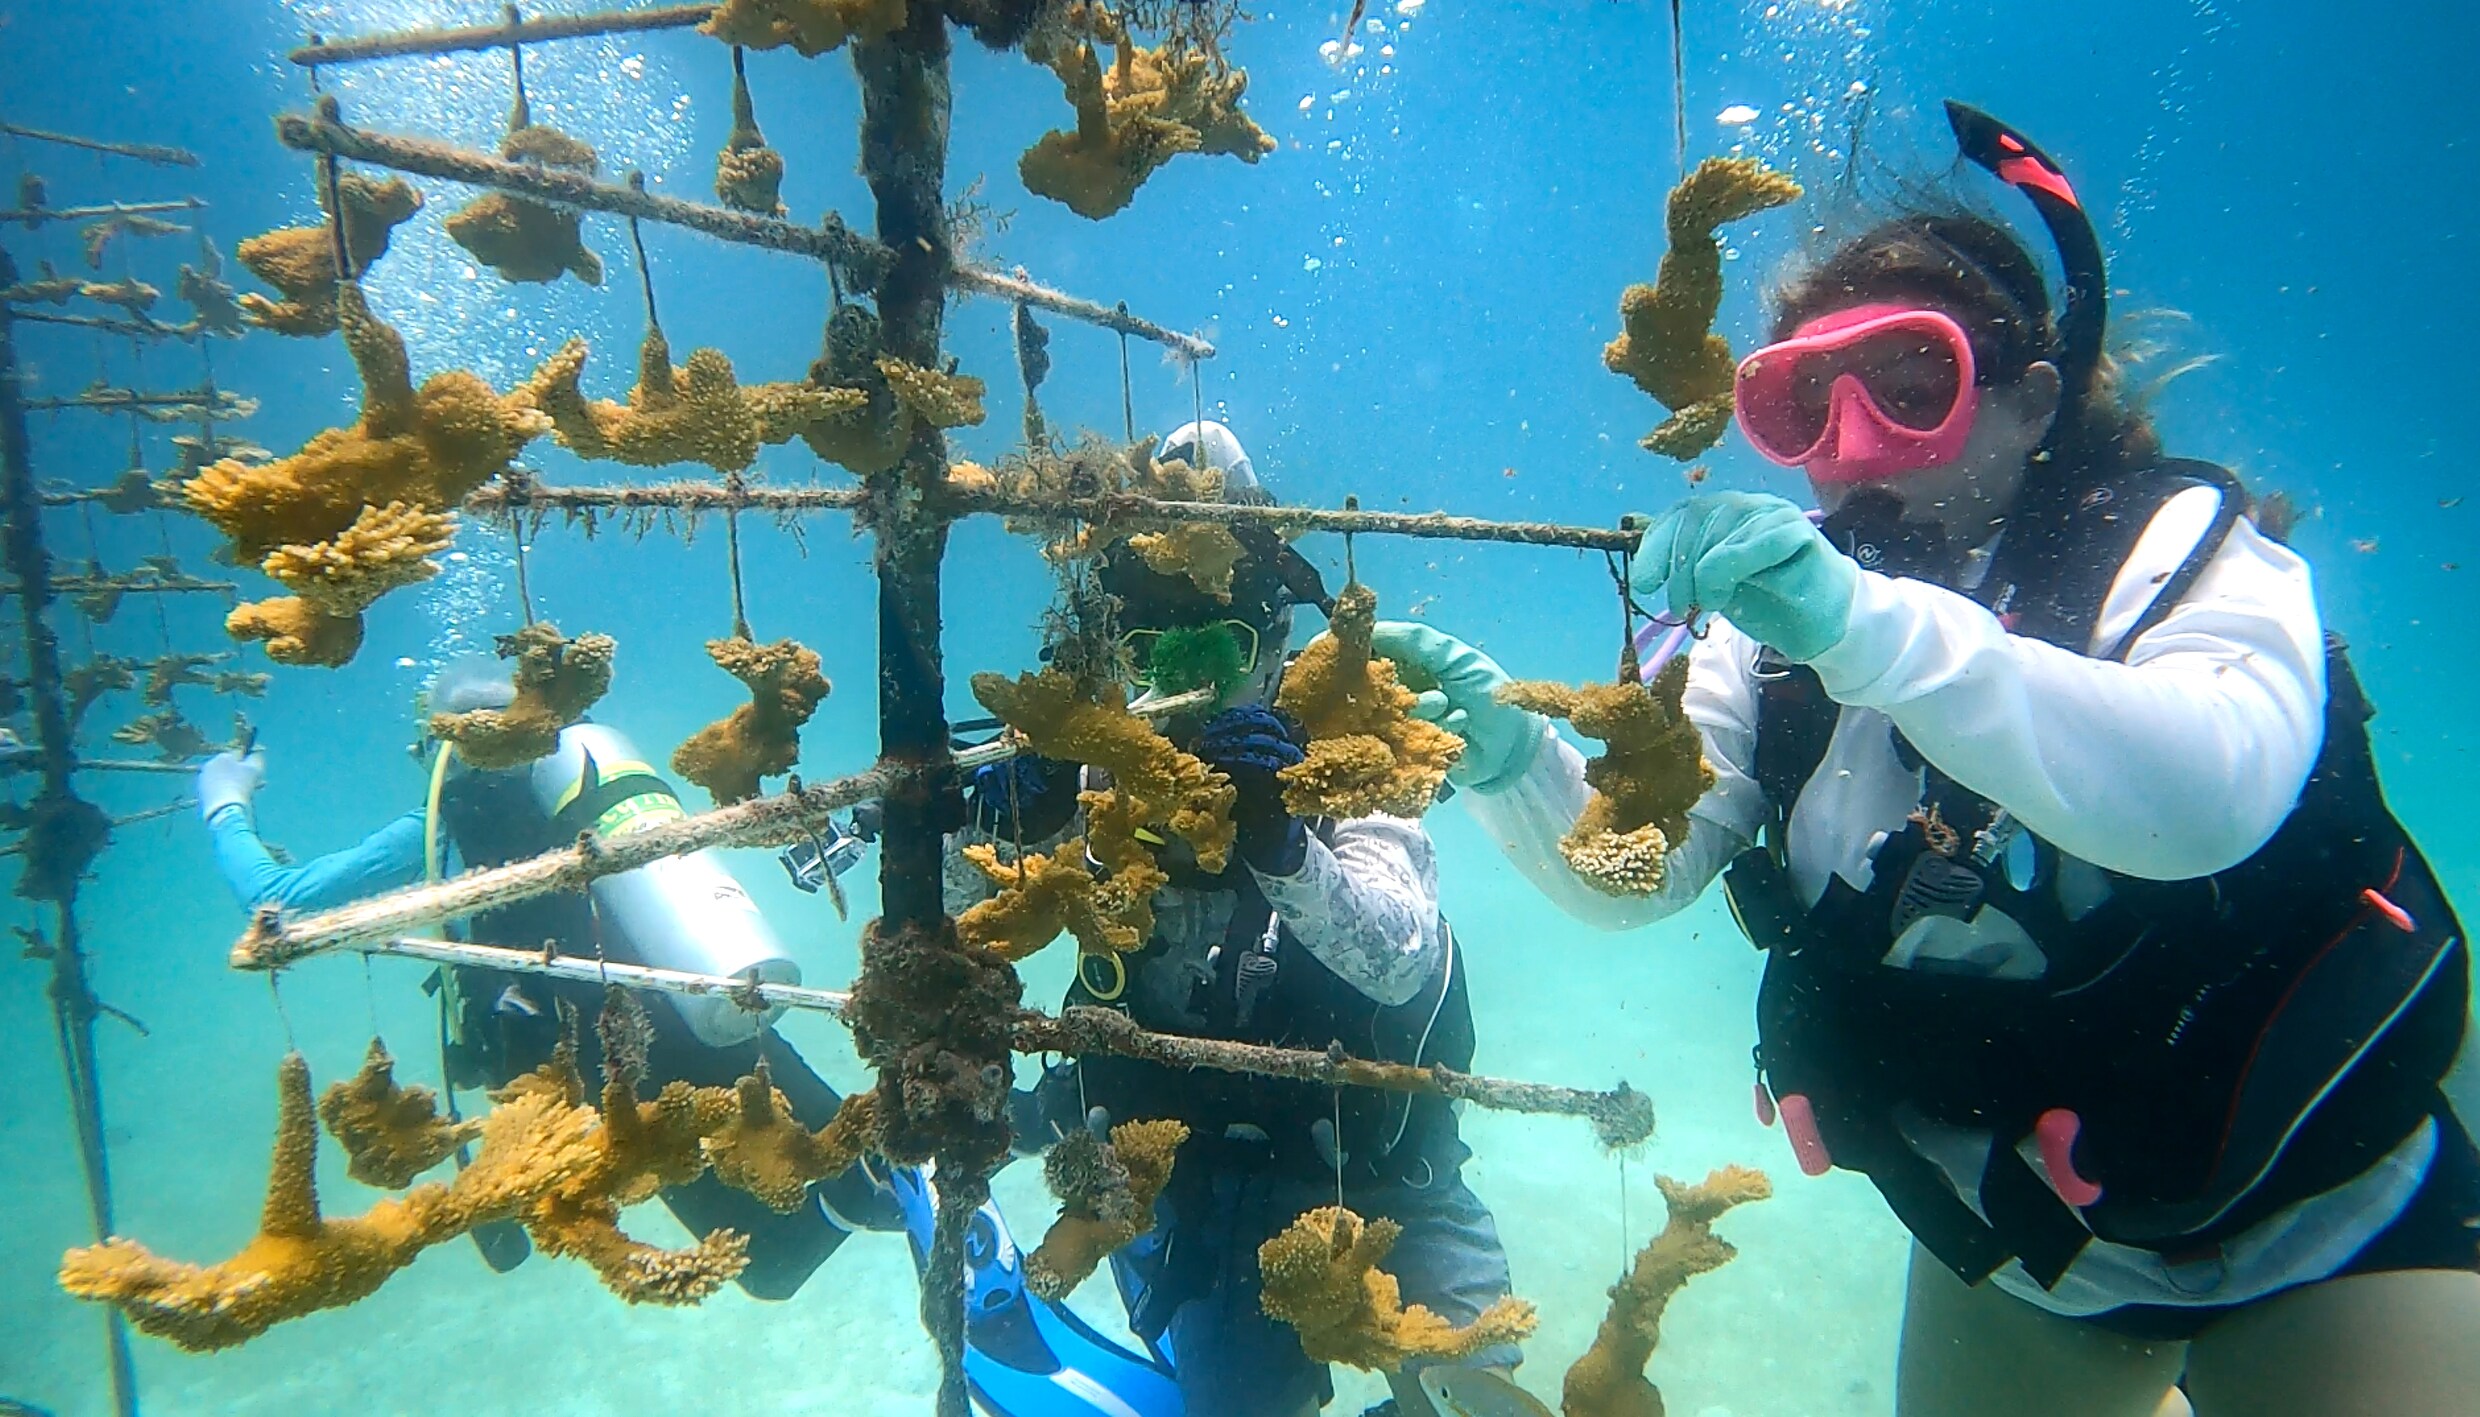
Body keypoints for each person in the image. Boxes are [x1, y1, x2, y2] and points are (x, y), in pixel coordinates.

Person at [1376, 104, 2478, 1416]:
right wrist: (1511, 752)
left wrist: (1866, 629)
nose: (1850, 444)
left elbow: (2207, 794)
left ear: (2029, 400)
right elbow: (1639, 867)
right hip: (2027, 1257)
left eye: (1912, 383)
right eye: (1799, 399)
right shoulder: (1769, 621)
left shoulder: (2177, 546)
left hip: (2321, 1199)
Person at [952, 421, 1522, 1417]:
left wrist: (1283, 843)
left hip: (1384, 1169)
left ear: (1274, 643)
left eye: (1221, 646)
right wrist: (991, 818)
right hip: (1190, 1186)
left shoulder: (1348, 763)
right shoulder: (1092, 774)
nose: (1190, 681)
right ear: (1115, 656)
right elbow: (954, 929)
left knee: (1468, 1387)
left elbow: (1397, 959)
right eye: (1150, 649)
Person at [192, 661, 898, 1295]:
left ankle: (877, 1202)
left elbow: (276, 903)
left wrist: (226, 800)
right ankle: (937, 1190)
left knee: (772, 1264)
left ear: (444, 745)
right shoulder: (596, 787)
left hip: (601, 1064)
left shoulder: (449, 820)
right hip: (705, 992)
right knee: (870, 1162)